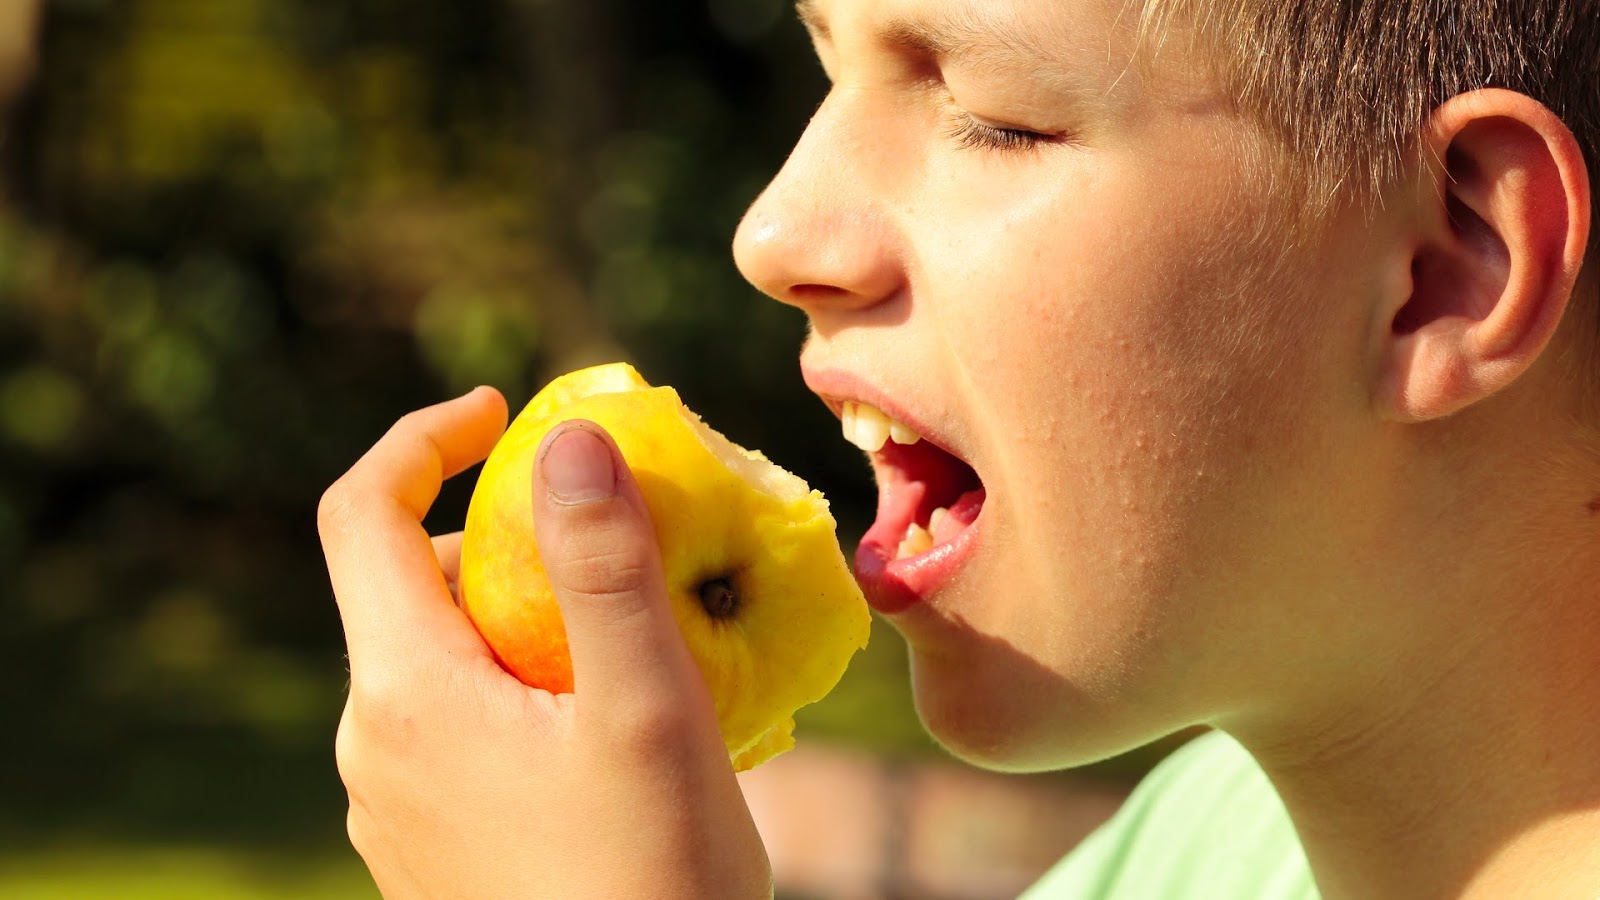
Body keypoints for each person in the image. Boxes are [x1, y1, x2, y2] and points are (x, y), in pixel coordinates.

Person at [316, 0, 1600, 896]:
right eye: (829, 65)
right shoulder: (1197, 853)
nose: (774, 234)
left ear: (1443, 267)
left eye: (992, 114)